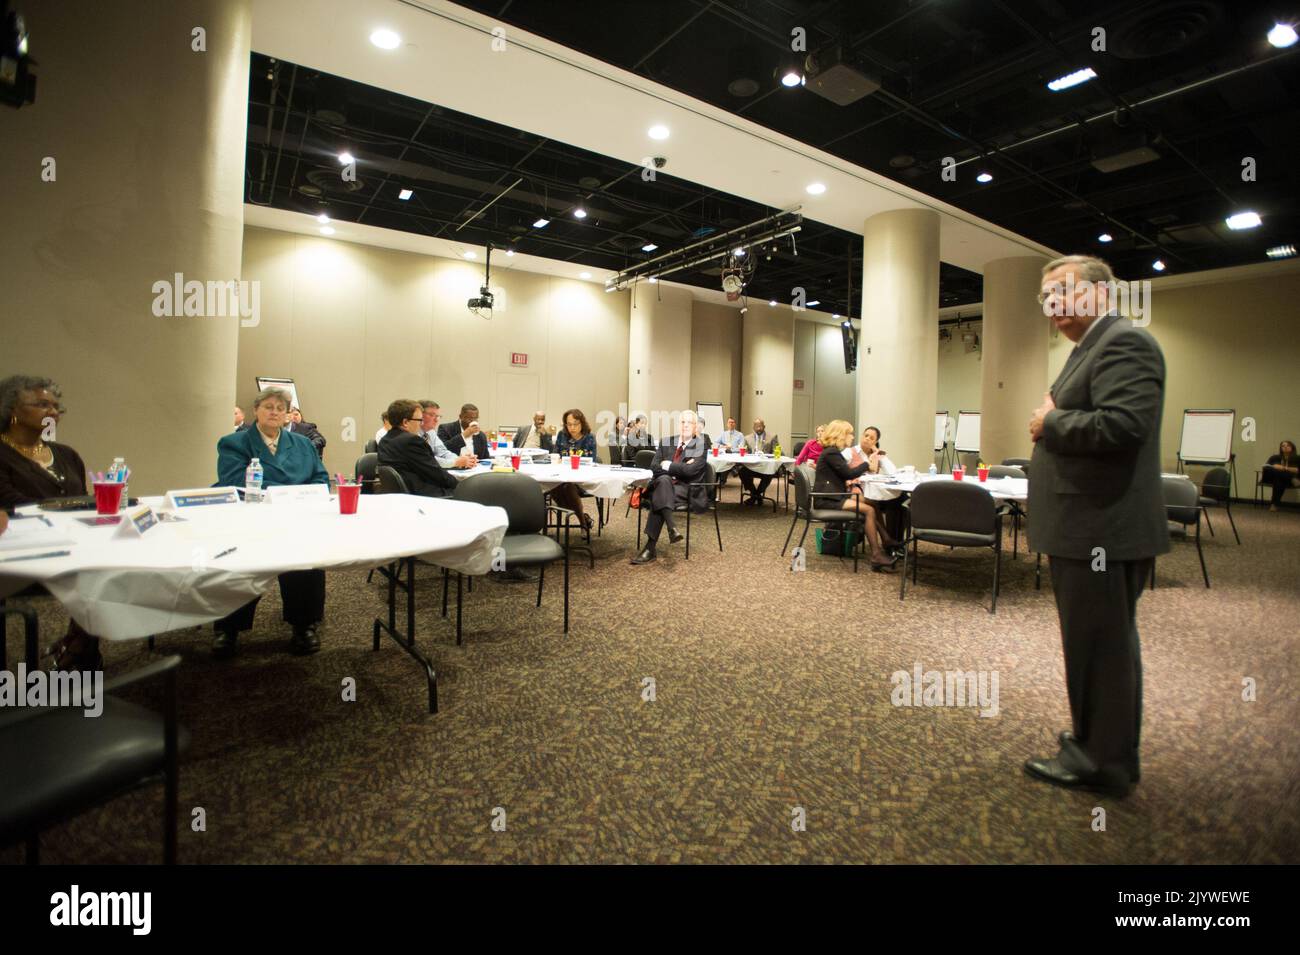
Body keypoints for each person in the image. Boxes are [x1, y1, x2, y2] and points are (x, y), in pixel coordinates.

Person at [1025, 254, 1168, 797]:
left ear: (1100, 292)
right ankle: (1095, 741)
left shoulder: (1125, 343)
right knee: (1093, 644)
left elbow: (1126, 425)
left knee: (1102, 647)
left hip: (1101, 529)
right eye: (1046, 298)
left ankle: (1104, 763)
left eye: (1061, 293)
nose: (1052, 307)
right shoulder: (1090, 349)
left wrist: (1050, 421)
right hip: (1087, 527)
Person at [213, 386, 331, 658]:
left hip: (297, 519)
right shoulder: (234, 442)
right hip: (251, 519)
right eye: (269, 407)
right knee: (243, 568)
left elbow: (321, 477)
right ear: (256, 411)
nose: (275, 412)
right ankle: (228, 629)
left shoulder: (302, 443)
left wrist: (304, 497)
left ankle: (303, 625)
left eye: (281, 408)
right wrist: (288, 494)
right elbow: (233, 481)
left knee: (306, 562)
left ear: (288, 414)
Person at [0, 375, 100, 670]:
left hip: (71, 547)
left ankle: (81, 647)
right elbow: (13, 505)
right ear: (11, 409)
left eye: (57, 407)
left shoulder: (66, 455)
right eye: (42, 404)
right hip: (19, 556)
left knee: (107, 566)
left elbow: (81, 502)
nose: (53, 412)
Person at [814, 420, 897, 570]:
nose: (852, 437)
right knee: (869, 510)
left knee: (871, 502)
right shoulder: (831, 453)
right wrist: (867, 464)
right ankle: (876, 555)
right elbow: (848, 474)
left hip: (834, 495)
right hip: (827, 499)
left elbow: (843, 474)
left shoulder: (832, 452)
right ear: (841, 435)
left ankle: (885, 539)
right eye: (850, 434)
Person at [631, 411, 709, 564]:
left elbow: (691, 471)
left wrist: (668, 465)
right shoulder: (666, 441)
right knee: (665, 482)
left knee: (661, 491)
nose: (685, 425)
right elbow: (654, 467)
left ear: (695, 427)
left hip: (685, 488)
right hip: (665, 485)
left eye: (689, 423)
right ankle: (671, 527)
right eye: (682, 422)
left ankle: (650, 548)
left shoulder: (700, 445)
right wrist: (679, 468)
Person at [379, 399, 459, 498]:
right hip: (423, 496)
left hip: (401, 496)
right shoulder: (412, 441)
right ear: (405, 422)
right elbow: (435, 473)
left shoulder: (385, 440)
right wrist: (460, 485)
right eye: (419, 420)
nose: (421, 424)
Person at [551, 408, 599, 532]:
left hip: (582, 479)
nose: (572, 427)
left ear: (582, 423)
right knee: (552, 486)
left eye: (575, 424)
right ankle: (583, 517)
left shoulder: (589, 438)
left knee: (569, 486)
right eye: (569, 424)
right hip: (562, 476)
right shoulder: (562, 435)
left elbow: (592, 461)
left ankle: (582, 524)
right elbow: (555, 454)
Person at [420, 401, 476, 469]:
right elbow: (427, 459)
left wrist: (461, 460)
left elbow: (443, 452)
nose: (436, 419)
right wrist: (456, 462)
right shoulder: (412, 434)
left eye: (438, 416)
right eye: (432, 415)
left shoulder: (431, 432)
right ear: (420, 415)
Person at [740, 416, 778, 505]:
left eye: (761, 426)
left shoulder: (772, 437)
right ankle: (755, 494)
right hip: (752, 466)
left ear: (764, 427)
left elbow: (776, 452)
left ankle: (755, 496)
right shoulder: (747, 438)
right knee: (742, 472)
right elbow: (744, 453)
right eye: (757, 426)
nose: (759, 428)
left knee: (770, 473)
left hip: (766, 467)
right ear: (753, 427)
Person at [1262, 440, 1299, 511]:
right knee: (1275, 470)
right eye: (1283, 446)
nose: (1285, 447)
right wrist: (1275, 467)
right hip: (1289, 480)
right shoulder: (1275, 457)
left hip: (1286, 482)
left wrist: (1284, 468)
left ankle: (1274, 504)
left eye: (1288, 445)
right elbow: (1266, 466)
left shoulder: (1297, 458)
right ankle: (1290, 477)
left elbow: (1298, 470)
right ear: (1280, 448)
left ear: (1292, 447)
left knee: (1279, 479)